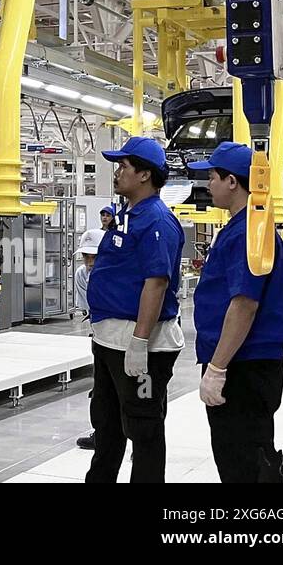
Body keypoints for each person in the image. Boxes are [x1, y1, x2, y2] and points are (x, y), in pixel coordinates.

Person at [187, 142, 283, 483]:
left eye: (213, 177)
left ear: (232, 181)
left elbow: (244, 303)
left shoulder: (250, 230)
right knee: (244, 455)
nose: (208, 185)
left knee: (243, 462)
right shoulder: (244, 226)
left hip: (243, 366)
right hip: (245, 363)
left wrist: (217, 368)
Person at [84, 136, 185, 484]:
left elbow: (155, 283)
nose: (117, 171)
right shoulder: (129, 215)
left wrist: (140, 342)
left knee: (143, 429)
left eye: (124, 166)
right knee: (107, 424)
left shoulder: (157, 220)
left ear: (144, 175)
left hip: (140, 347)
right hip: (110, 341)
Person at [73, 227, 103, 451]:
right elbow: (91, 309)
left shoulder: (121, 271)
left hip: (128, 336)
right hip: (101, 333)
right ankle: (101, 433)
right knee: (101, 386)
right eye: (86, 256)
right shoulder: (82, 274)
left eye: (95, 256)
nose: (90, 262)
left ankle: (140, 441)